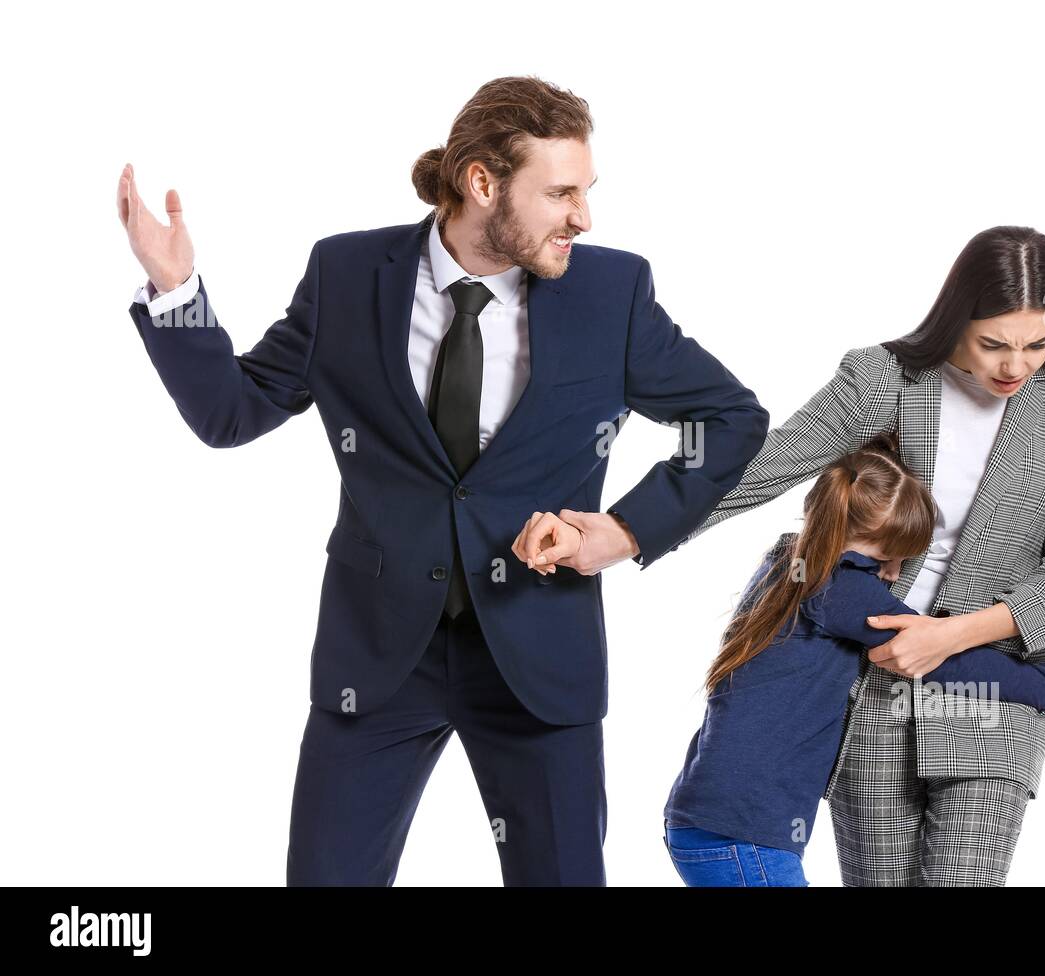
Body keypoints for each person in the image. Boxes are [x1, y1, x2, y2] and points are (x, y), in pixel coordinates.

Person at [116, 75, 769, 886]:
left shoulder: (611, 292)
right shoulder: (348, 274)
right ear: (482, 183)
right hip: (380, 659)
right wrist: (178, 291)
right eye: (561, 193)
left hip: (537, 661)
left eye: (587, 192)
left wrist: (625, 530)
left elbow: (731, 419)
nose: (584, 217)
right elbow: (233, 412)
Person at [677, 226, 1045, 885]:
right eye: (994, 343)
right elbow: (762, 469)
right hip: (870, 685)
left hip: (987, 682)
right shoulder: (886, 379)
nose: (1014, 366)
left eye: (1037, 343)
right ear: (954, 318)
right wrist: (621, 531)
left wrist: (950, 636)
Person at [661, 433, 1045, 886]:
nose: (892, 575)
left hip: (706, 819)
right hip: (742, 833)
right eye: (886, 559)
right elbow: (935, 655)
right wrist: (1042, 684)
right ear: (857, 544)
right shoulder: (841, 588)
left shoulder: (787, 564)